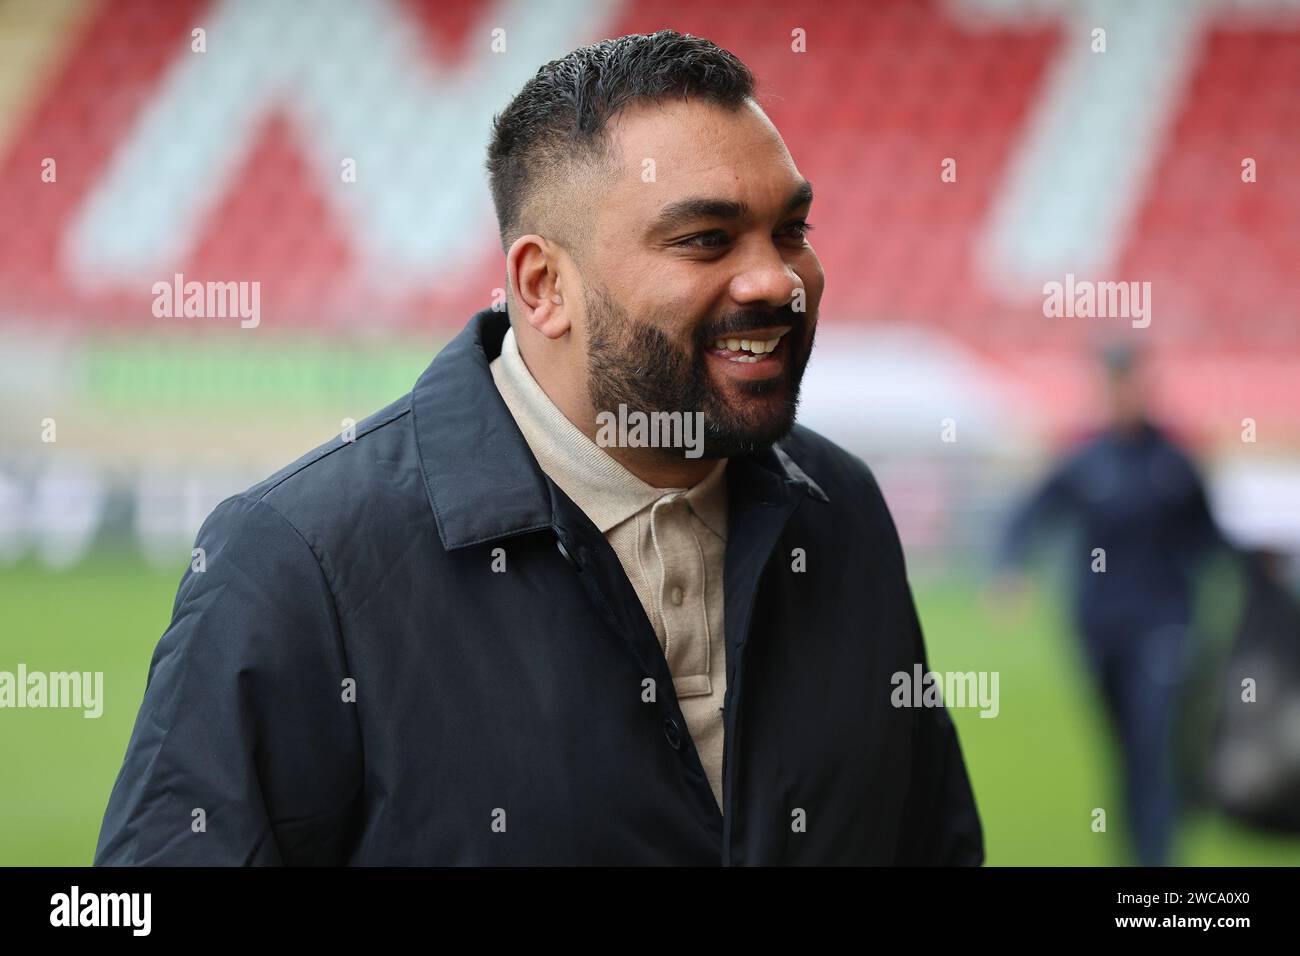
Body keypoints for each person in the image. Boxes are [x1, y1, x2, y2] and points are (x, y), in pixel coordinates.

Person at [94, 30, 982, 866]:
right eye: (706, 239)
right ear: (544, 285)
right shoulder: (302, 564)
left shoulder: (841, 508)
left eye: (791, 231)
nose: (777, 281)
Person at [996, 342, 1223, 865]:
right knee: (1125, 750)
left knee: (1153, 740)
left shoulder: (1175, 460)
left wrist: (1256, 572)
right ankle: (1134, 853)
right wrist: (1012, 569)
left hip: (1165, 624)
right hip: (1099, 627)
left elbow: (1210, 538)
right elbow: (1031, 515)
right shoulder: (1086, 460)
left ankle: (1158, 860)